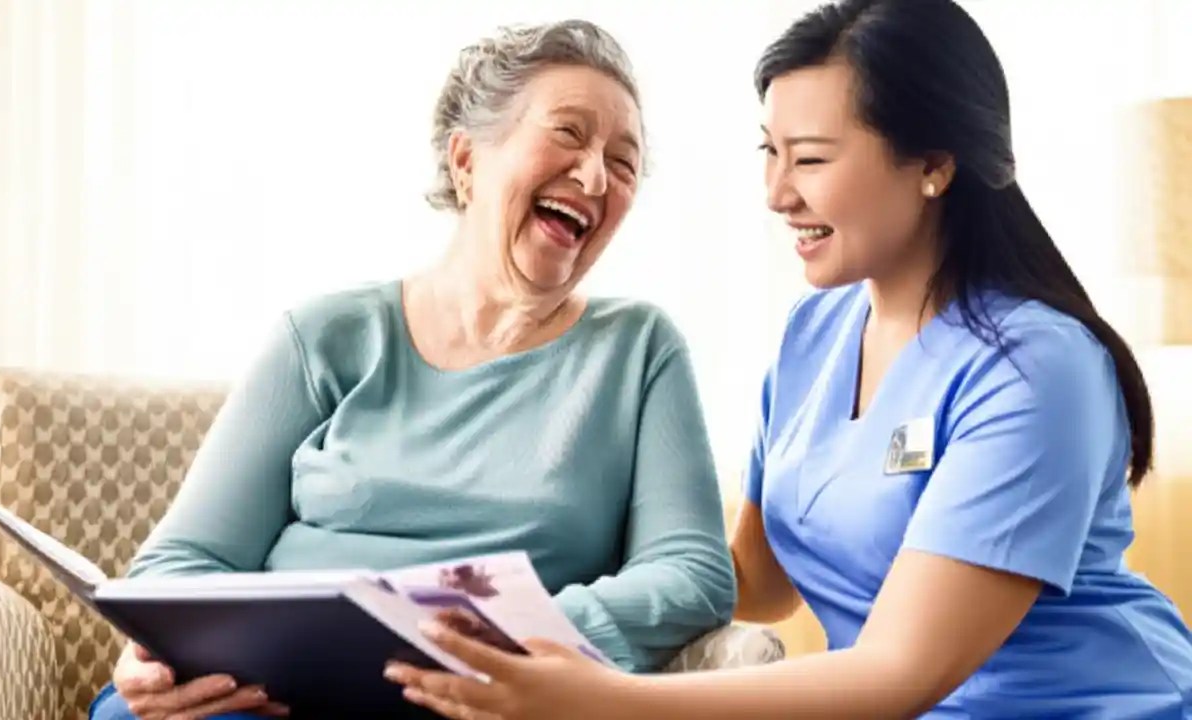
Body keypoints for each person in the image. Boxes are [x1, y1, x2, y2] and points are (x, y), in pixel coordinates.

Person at [384, 1, 1192, 717]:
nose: (776, 193)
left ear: (935, 165)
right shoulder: (817, 335)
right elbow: (753, 580)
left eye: (809, 159)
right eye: (768, 152)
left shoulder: (1037, 371)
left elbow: (897, 673)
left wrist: (606, 701)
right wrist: (499, 573)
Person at [89, 19, 736, 720]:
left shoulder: (639, 350)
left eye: (624, 162)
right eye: (570, 134)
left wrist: (507, 636)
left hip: (477, 701)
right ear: (466, 161)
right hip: (273, 699)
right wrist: (156, 655)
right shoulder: (325, 336)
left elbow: (692, 574)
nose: (594, 175)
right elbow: (181, 562)